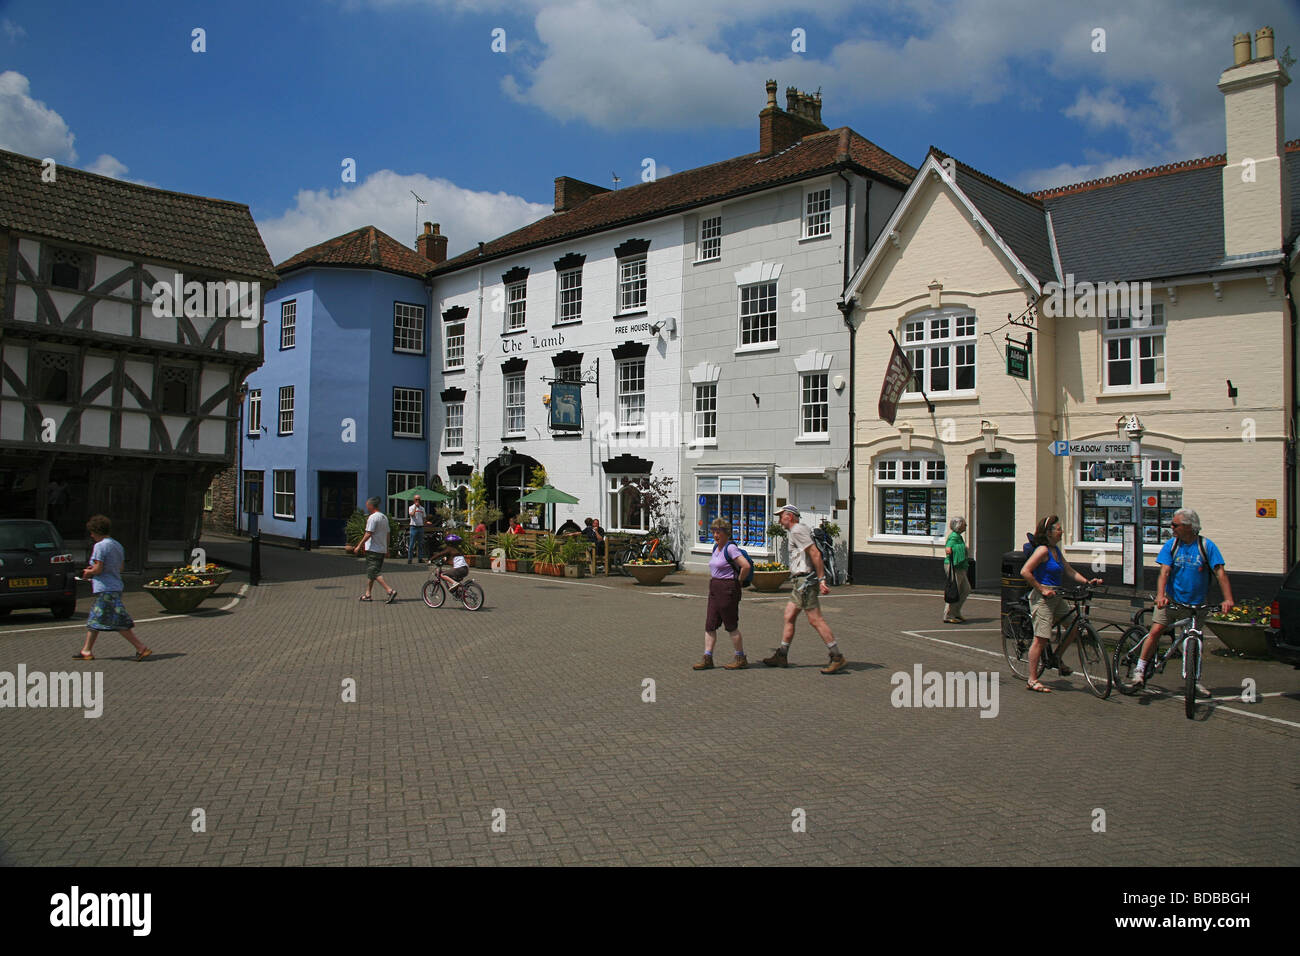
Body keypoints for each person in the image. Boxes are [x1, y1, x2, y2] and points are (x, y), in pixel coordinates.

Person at [1130, 508, 1234, 692]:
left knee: (1193, 641)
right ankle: (1140, 668)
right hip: (1171, 600)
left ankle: (1192, 680)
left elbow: (1220, 573)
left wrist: (1228, 599)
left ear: (1188, 526)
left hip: (1197, 603)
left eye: (1175, 525)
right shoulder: (1171, 545)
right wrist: (1161, 596)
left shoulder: (1206, 546)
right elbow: (1164, 572)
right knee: (1156, 631)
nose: (1172, 527)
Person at [1019, 514, 1103, 693]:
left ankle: (1056, 658)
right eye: (1058, 529)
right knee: (1041, 638)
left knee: (1073, 627)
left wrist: (1088, 582)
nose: (1061, 532)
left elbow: (1069, 571)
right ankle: (1032, 679)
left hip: (1057, 595)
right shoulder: (1042, 550)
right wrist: (1042, 589)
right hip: (1043, 598)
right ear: (1049, 532)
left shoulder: (1056, 550)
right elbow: (1025, 571)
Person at [762, 504, 847, 674]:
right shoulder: (798, 530)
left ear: (790, 517)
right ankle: (782, 654)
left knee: (815, 619)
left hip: (805, 581)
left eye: (781, 517)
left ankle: (837, 656)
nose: (779, 521)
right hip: (799, 582)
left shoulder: (797, 531)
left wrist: (822, 579)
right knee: (789, 615)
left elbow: (815, 553)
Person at [74, 514, 150, 661]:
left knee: (117, 621)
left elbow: (98, 569)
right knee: (94, 621)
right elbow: (120, 567)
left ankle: (141, 648)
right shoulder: (117, 545)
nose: (91, 535)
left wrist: (86, 572)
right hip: (115, 585)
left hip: (105, 588)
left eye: (92, 532)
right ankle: (86, 650)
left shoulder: (100, 546)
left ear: (96, 531)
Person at [694, 518, 751, 670]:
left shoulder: (730, 548)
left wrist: (738, 581)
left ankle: (740, 657)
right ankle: (708, 658)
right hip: (714, 587)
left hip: (727, 589)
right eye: (713, 531)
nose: (715, 535)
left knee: (731, 625)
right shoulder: (715, 548)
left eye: (718, 532)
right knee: (710, 625)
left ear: (726, 533)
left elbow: (745, 566)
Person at [349, 496, 397, 603]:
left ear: (371, 506)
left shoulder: (373, 518)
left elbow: (368, 533)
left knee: (374, 572)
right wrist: (387, 548)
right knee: (372, 572)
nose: (367, 508)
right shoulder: (384, 517)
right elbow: (388, 534)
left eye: (367, 506)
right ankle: (368, 594)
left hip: (373, 549)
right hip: (381, 549)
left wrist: (359, 545)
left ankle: (390, 590)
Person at [943, 515, 971, 623]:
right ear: (959, 525)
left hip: (961, 566)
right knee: (954, 591)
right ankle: (948, 615)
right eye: (964, 524)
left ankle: (956, 612)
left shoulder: (958, 536)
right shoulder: (954, 536)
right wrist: (949, 549)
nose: (966, 526)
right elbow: (948, 546)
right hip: (954, 566)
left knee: (966, 589)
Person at [407, 495, 427, 564]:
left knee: (420, 544)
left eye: (418, 499)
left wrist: (425, 523)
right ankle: (410, 559)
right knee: (412, 544)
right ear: (414, 500)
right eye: (416, 499)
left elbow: (424, 517)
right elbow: (411, 514)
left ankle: (420, 558)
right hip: (413, 527)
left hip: (420, 527)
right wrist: (415, 507)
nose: (417, 501)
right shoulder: (411, 507)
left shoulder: (422, 508)